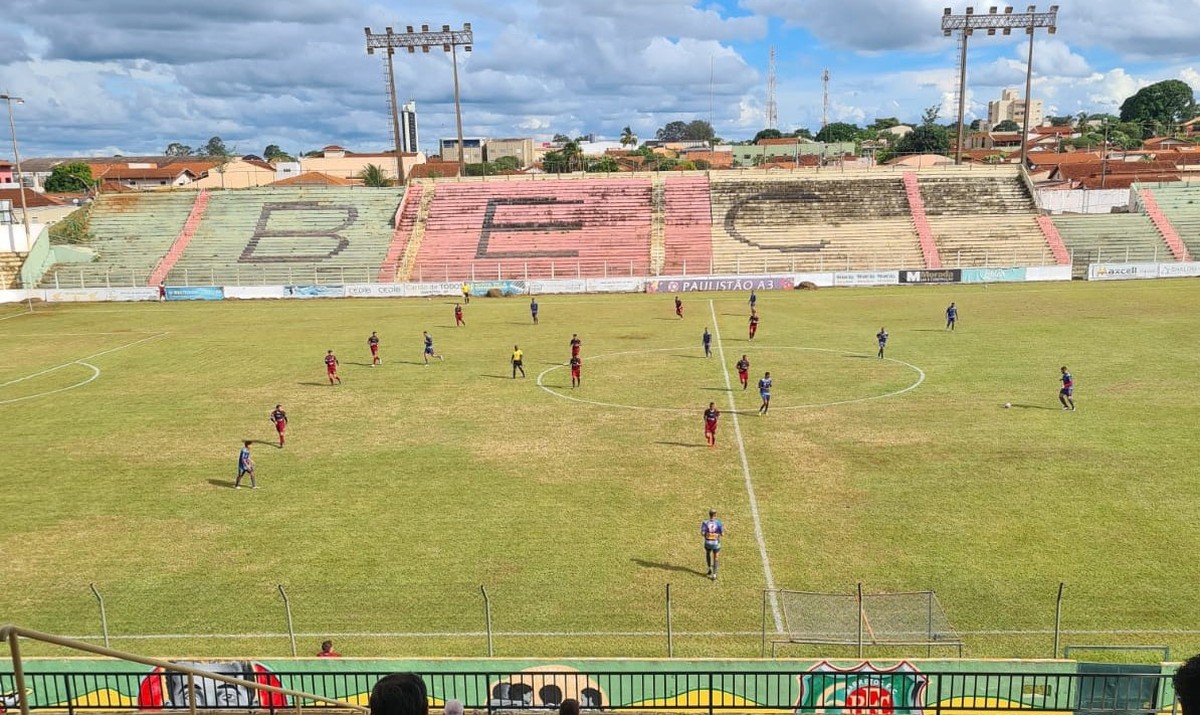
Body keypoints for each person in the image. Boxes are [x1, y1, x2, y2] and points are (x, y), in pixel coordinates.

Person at [701, 509, 724, 580]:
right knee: (715, 557)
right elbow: (722, 534)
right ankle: (714, 574)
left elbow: (702, 533)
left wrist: (708, 535)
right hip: (715, 543)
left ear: (709, 514)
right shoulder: (719, 523)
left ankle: (709, 568)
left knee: (708, 553)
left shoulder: (705, 522)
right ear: (715, 515)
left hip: (708, 542)